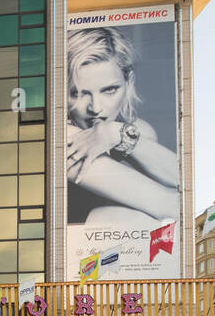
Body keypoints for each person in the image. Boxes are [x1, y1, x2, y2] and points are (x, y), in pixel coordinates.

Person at [66, 27, 179, 230]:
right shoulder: (65, 139)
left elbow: (182, 178)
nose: (96, 108)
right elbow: (171, 205)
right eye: (79, 93)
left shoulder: (133, 130)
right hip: (71, 256)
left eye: (109, 90)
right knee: (116, 215)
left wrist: (115, 134)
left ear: (129, 82)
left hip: (115, 254)